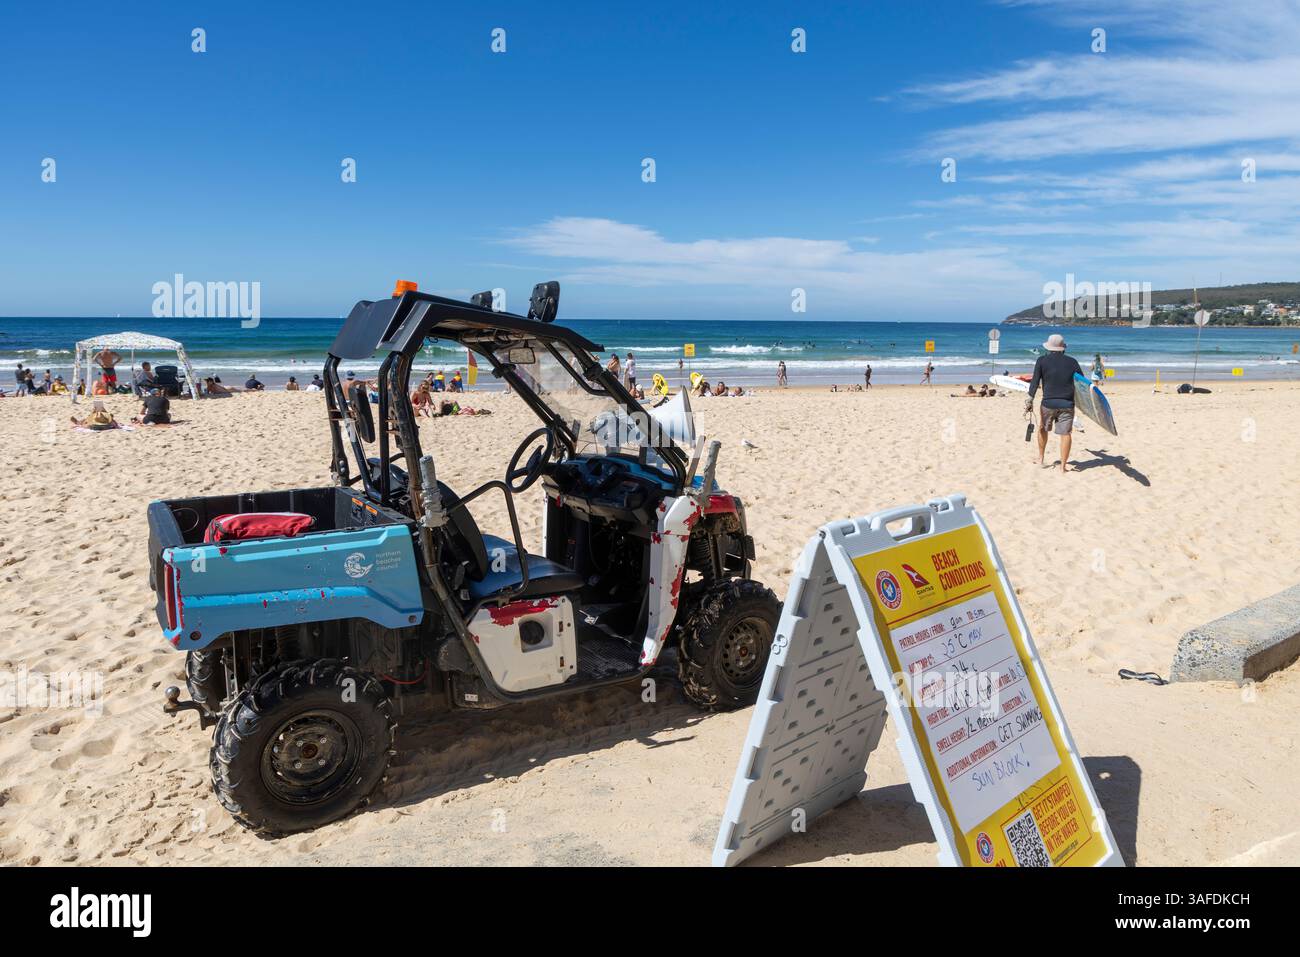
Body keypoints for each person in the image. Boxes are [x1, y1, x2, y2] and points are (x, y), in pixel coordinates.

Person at [1027, 333, 1084, 474]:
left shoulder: (1041, 361)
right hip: (1067, 404)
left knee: (1042, 428)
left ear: (1049, 347)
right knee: (1066, 434)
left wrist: (1030, 399)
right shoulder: (1072, 362)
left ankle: (1041, 459)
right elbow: (1082, 382)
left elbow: (1034, 382)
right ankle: (1063, 467)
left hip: (1048, 404)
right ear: (1063, 348)